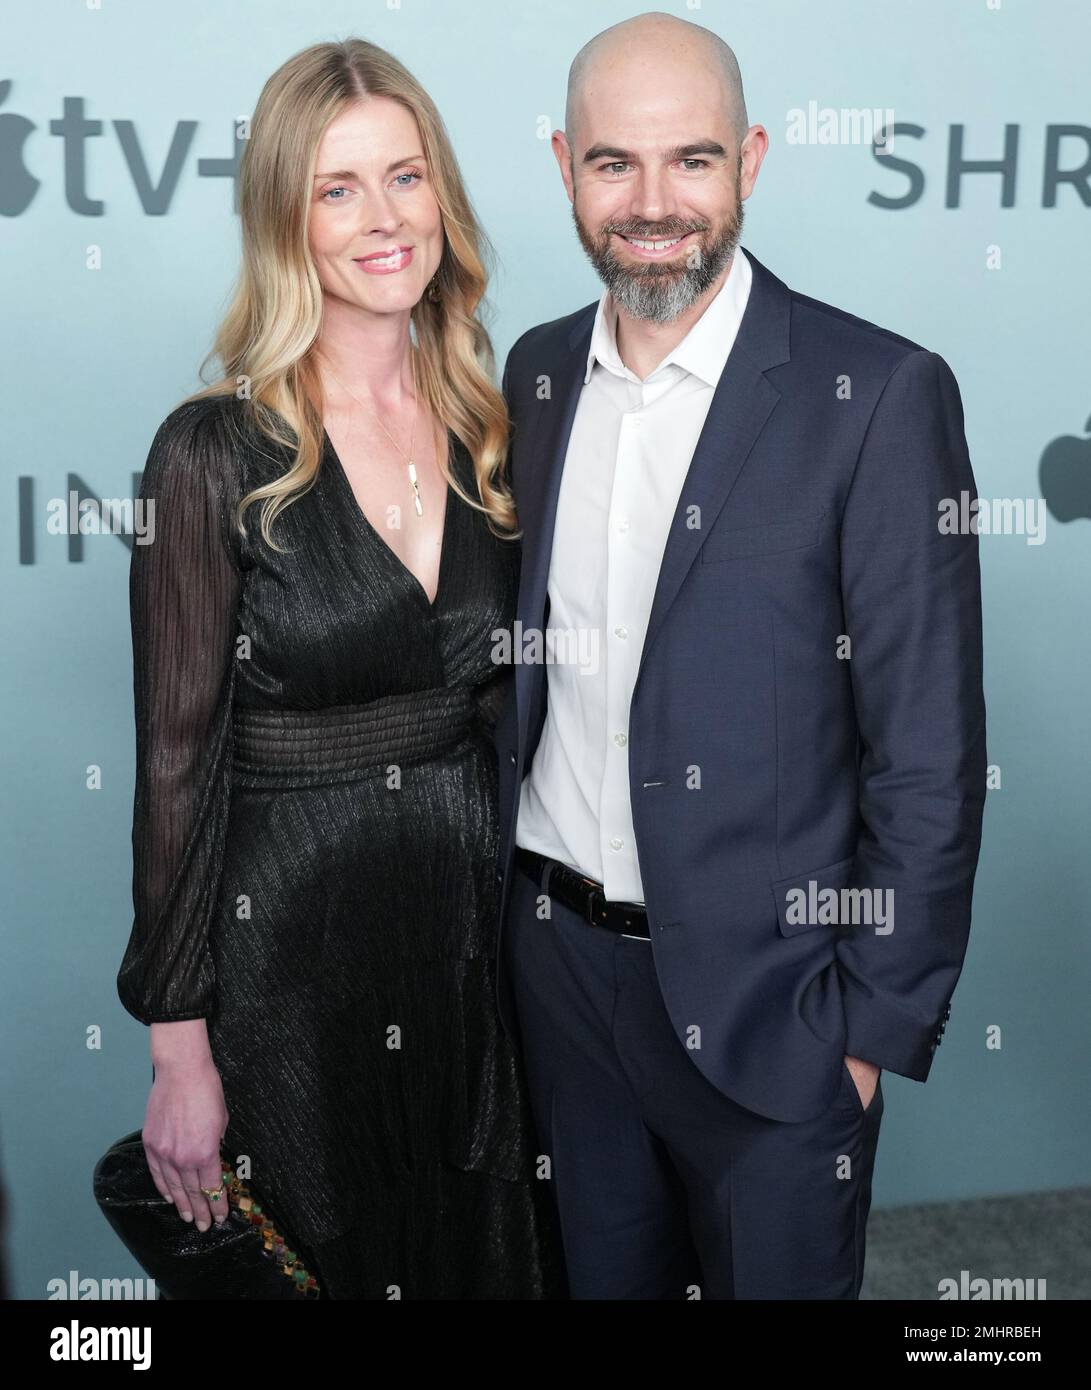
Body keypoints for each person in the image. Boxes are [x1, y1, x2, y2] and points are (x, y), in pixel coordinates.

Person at [493, 12, 986, 1299]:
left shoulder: (874, 394)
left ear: (753, 159)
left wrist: (864, 1032)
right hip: (557, 981)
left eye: (692, 160)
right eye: (613, 164)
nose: (653, 203)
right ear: (562, 166)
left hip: (778, 1013)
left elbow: (928, 756)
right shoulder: (536, 373)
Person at [116, 37, 565, 1300]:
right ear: (283, 218)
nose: (383, 219)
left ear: (443, 198)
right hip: (291, 955)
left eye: (405, 177)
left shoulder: (498, 422)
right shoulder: (213, 451)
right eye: (337, 188)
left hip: (473, 936)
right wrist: (177, 1046)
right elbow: (172, 758)